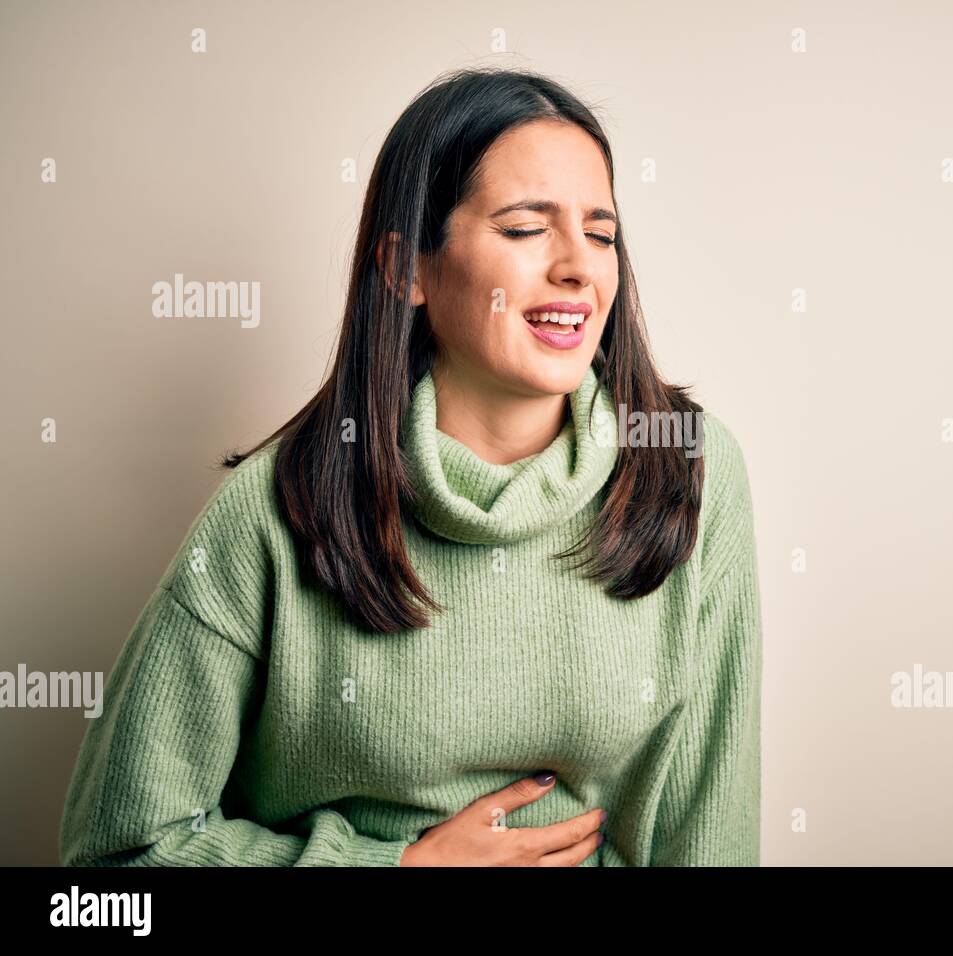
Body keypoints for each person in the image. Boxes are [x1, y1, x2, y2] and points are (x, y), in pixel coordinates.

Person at [58, 67, 762, 867]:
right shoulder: (273, 506)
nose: (579, 267)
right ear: (408, 269)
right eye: (528, 228)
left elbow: (710, 832)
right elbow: (111, 869)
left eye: (600, 233)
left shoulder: (692, 474)